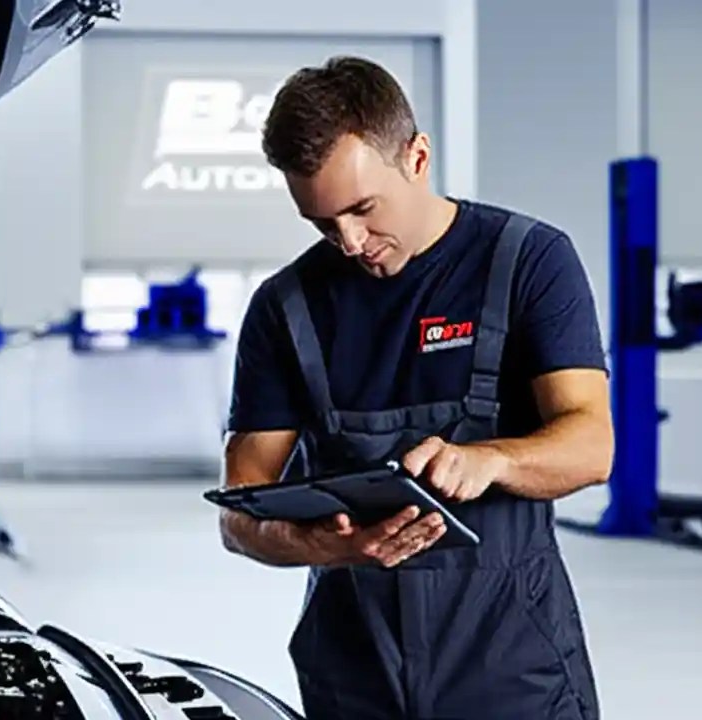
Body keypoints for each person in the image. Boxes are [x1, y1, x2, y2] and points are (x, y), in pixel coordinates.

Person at [218, 56, 614, 720]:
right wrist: (327, 546)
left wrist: (489, 459)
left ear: (418, 157)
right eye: (321, 223)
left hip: (512, 669)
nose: (349, 242)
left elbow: (591, 445)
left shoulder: (529, 262)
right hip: (352, 672)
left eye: (363, 209)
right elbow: (239, 516)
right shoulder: (284, 308)